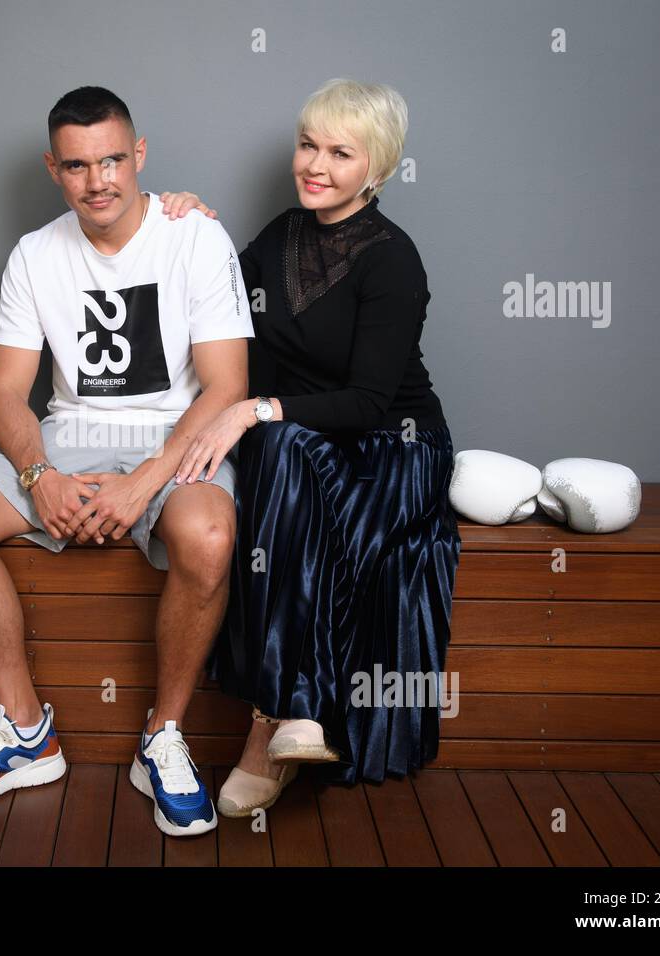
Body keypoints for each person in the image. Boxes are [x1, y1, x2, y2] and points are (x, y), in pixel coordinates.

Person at [0, 86, 255, 836]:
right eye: (77, 165)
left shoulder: (195, 237)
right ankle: (25, 731)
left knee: (207, 537)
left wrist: (147, 479)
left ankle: (162, 735)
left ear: (138, 157)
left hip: (177, 433)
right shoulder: (35, 255)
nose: (98, 180)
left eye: (111, 160)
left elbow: (228, 385)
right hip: (67, 434)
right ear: (53, 169)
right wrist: (40, 475)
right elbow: (6, 391)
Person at [158, 77, 461, 816]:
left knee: (278, 443)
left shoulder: (394, 260)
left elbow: (364, 403)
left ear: (377, 170)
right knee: (281, 451)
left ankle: (271, 727)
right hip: (304, 443)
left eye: (340, 152)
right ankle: (293, 714)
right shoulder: (280, 235)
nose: (314, 165)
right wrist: (186, 223)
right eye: (307, 144)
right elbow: (214, 287)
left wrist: (252, 410)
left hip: (394, 449)